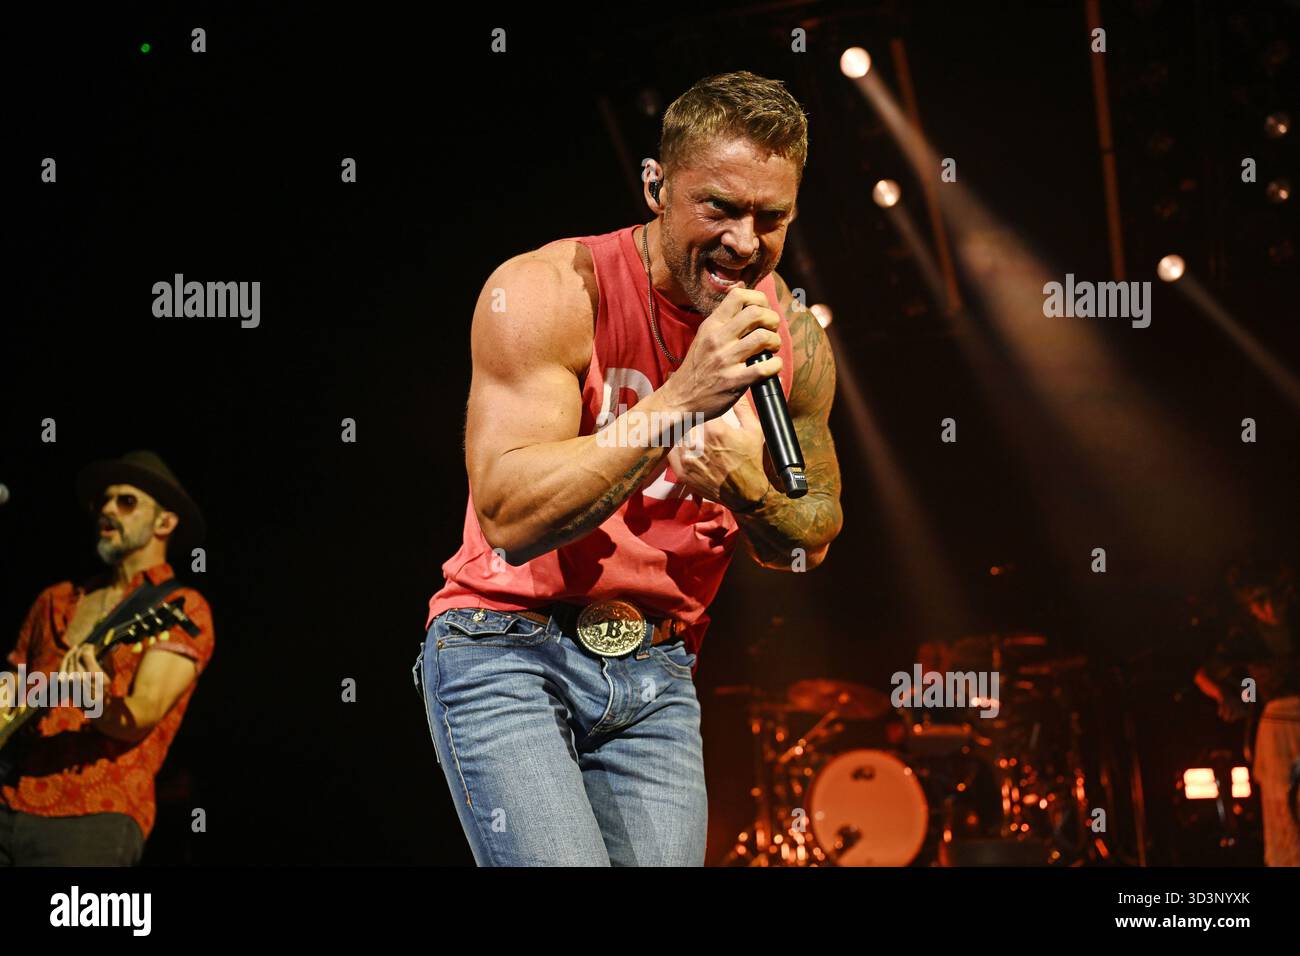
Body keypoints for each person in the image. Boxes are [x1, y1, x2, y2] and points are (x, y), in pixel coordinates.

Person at [414, 70, 843, 865]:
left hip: (658, 674)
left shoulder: (793, 338)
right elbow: (509, 518)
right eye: (718, 207)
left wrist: (749, 490)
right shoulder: (547, 291)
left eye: (770, 217)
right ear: (656, 186)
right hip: (507, 648)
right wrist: (682, 398)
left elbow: (809, 541)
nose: (745, 242)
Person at [0, 450, 215, 866]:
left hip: (91, 815)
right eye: (104, 500)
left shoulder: (180, 607)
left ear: (165, 523)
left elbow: (141, 714)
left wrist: (93, 703)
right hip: (7, 793)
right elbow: (11, 684)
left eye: (127, 501)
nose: (108, 509)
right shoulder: (54, 599)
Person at [1195, 559, 1300, 866]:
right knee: (1286, 804)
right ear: (1250, 607)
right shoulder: (1246, 638)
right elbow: (1203, 675)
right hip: (1279, 729)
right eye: (1259, 603)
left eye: (1273, 598)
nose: (1269, 609)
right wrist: (1227, 697)